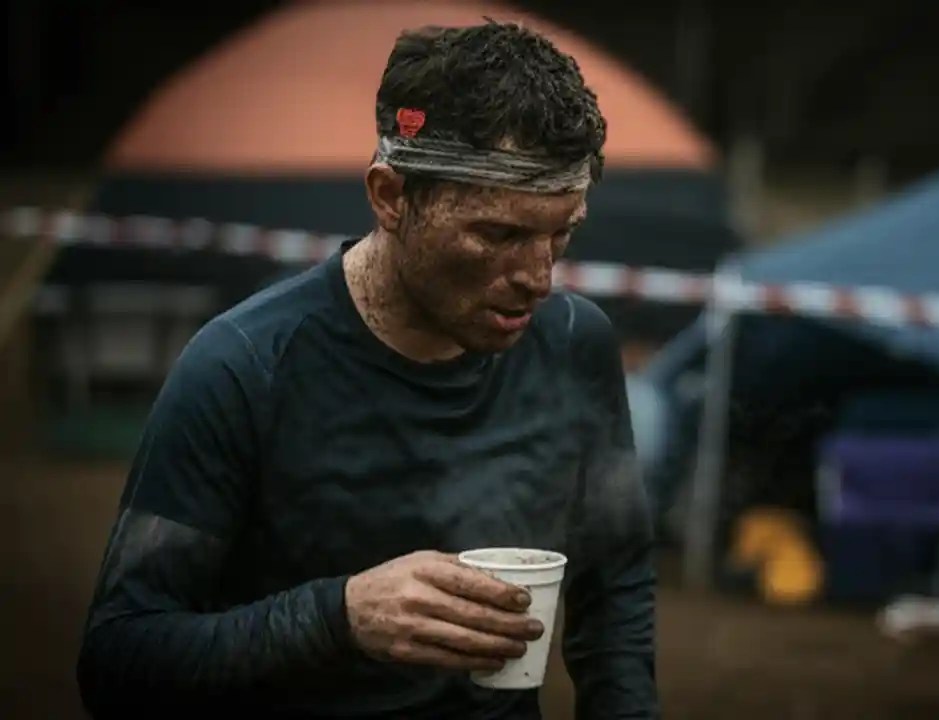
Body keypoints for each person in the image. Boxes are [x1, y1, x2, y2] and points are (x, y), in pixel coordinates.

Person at [76, 22, 657, 719]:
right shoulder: (244, 367)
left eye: (561, 233)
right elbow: (118, 659)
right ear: (390, 197)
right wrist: (339, 617)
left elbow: (615, 584)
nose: (538, 276)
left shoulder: (573, 344)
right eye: (497, 235)